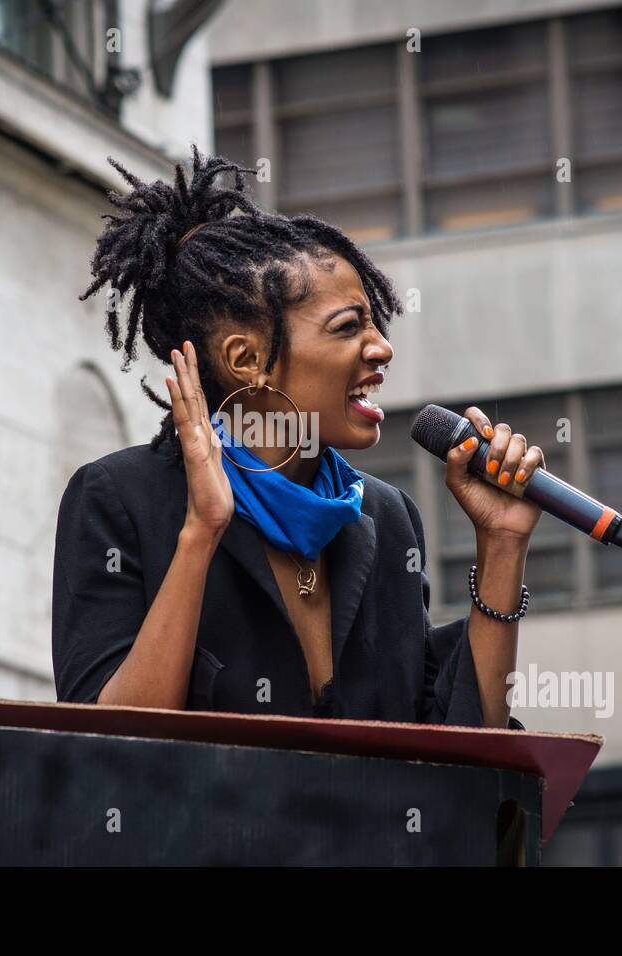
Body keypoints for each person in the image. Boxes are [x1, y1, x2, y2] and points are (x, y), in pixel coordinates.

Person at [52, 147, 546, 728]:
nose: (382, 348)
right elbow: (108, 743)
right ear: (247, 360)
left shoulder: (384, 520)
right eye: (348, 327)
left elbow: (467, 748)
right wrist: (202, 532)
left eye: (375, 323)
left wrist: (502, 547)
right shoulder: (122, 501)